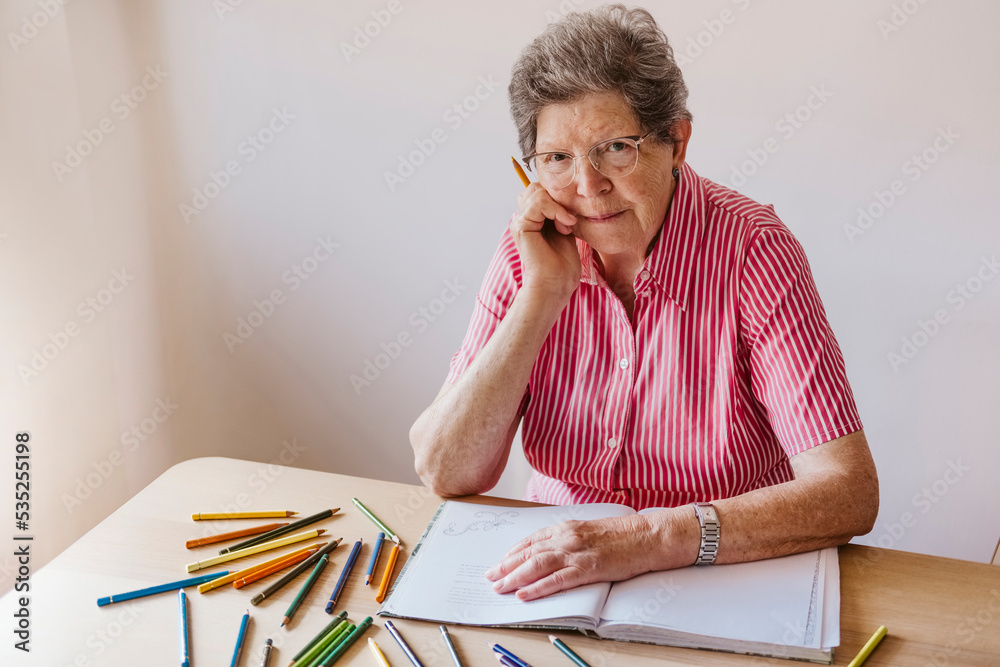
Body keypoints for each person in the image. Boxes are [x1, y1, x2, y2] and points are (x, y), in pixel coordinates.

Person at [409, 5, 878, 602]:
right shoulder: (530, 249)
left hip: (721, 574)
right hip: (556, 572)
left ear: (676, 141)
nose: (587, 185)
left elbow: (848, 490)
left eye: (615, 149)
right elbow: (446, 471)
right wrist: (542, 294)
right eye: (557, 158)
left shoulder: (753, 250)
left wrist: (649, 538)